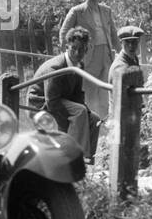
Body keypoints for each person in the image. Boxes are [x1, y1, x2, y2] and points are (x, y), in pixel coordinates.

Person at [32, 27, 101, 162]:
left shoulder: (79, 65)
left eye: (81, 49)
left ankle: (87, 158)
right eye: (73, 48)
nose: (77, 52)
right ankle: (71, 158)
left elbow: (76, 94)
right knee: (79, 112)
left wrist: (85, 111)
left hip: (60, 99)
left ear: (86, 50)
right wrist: (67, 120)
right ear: (66, 47)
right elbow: (51, 101)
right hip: (41, 102)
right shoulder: (56, 67)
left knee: (94, 118)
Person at [59, 0, 117, 117]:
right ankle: (89, 115)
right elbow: (64, 31)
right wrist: (67, 53)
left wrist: (120, 50)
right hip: (88, 53)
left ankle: (104, 118)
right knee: (89, 87)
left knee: (105, 86)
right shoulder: (77, 11)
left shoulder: (106, 10)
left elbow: (113, 32)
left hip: (106, 53)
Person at [107, 25, 145, 114]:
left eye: (134, 42)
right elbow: (119, 100)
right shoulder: (120, 66)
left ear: (138, 42)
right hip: (121, 116)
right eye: (127, 42)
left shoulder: (133, 58)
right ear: (121, 43)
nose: (131, 46)